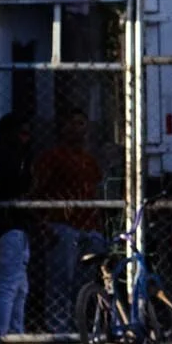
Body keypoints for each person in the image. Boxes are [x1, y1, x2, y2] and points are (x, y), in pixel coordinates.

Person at [32, 109, 104, 332]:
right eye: (72, 124)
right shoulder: (52, 157)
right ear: (62, 128)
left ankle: (79, 324)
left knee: (85, 281)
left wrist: (98, 225)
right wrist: (44, 224)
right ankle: (58, 327)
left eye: (81, 124)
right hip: (62, 225)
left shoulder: (89, 161)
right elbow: (37, 190)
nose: (77, 129)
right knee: (61, 279)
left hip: (88, 226)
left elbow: (94, 191)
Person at [0, 112, 36, 338]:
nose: (26, 139)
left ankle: (16, 333)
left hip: (18, 227)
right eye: (22, 134)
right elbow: (16, 186)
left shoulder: (16, 158)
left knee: (20, 287)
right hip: (9, 227)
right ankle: (1, 335)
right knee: (8, 285)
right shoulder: (8, 159)